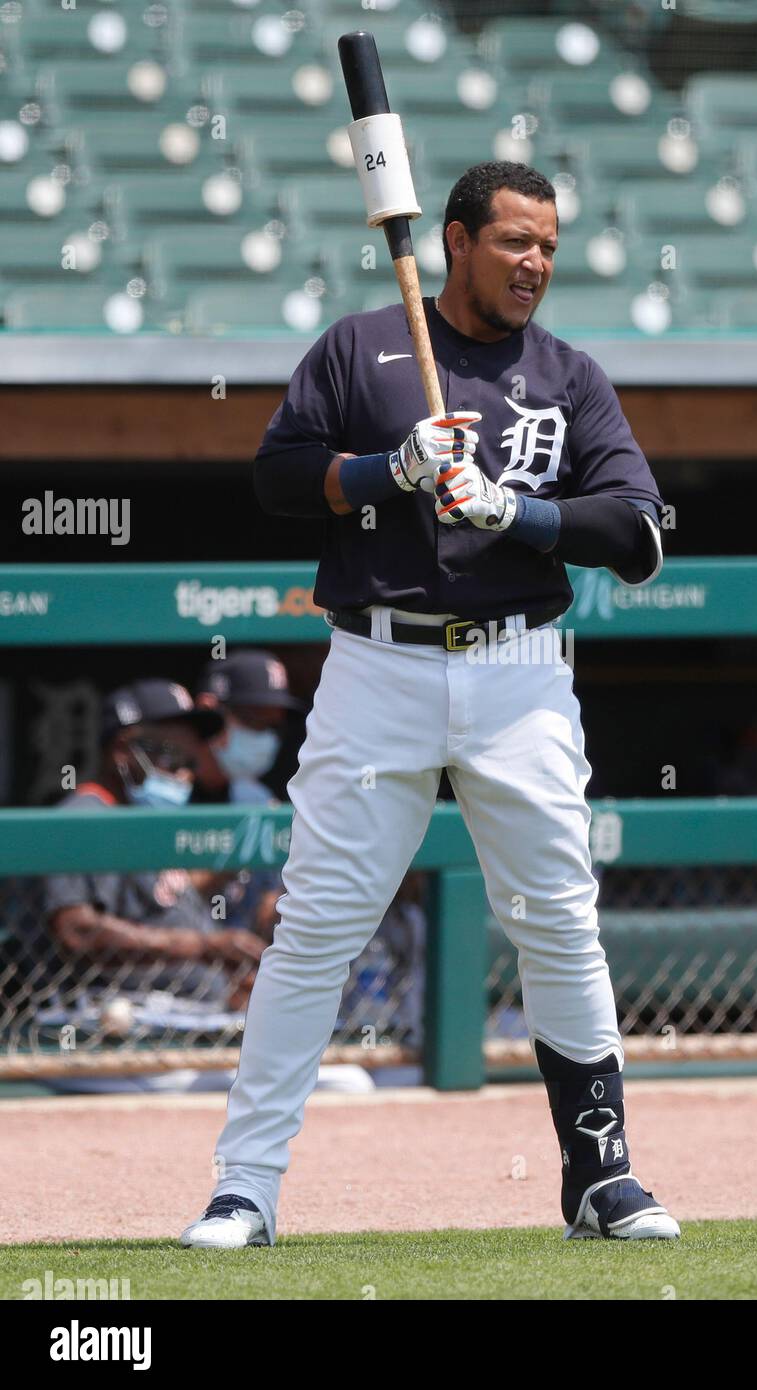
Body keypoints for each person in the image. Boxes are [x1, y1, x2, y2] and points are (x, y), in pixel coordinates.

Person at [181, 161, 678, 1248]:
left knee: (557, 919)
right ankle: (244, 1188)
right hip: (376, 663)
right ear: (454, 241)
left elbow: (638, 536)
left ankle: (602, 1177)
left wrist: (520, 512)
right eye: (512, 242)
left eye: (547, 244)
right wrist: (382, 471)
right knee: (313, 930)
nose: (535, 263)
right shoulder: (361, 349)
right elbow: (275, 477)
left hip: (520, 671)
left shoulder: (567, 375)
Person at [44, 678, 268, 1015]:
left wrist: (228, 979)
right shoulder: (82, 817)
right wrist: (202, 947)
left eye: (189, 763)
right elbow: (77, 930)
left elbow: (161, 905)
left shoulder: (146, 821)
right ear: (122, 750)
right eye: (169, 756)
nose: (182, 775)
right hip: (105, 1025)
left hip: (184, 1021)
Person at [193, 649, 303, 940]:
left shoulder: (255, 797)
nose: (264, 737)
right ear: (209, 712)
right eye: (254, 721)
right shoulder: (160, 795)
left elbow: (265, 908)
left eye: (271, 727)